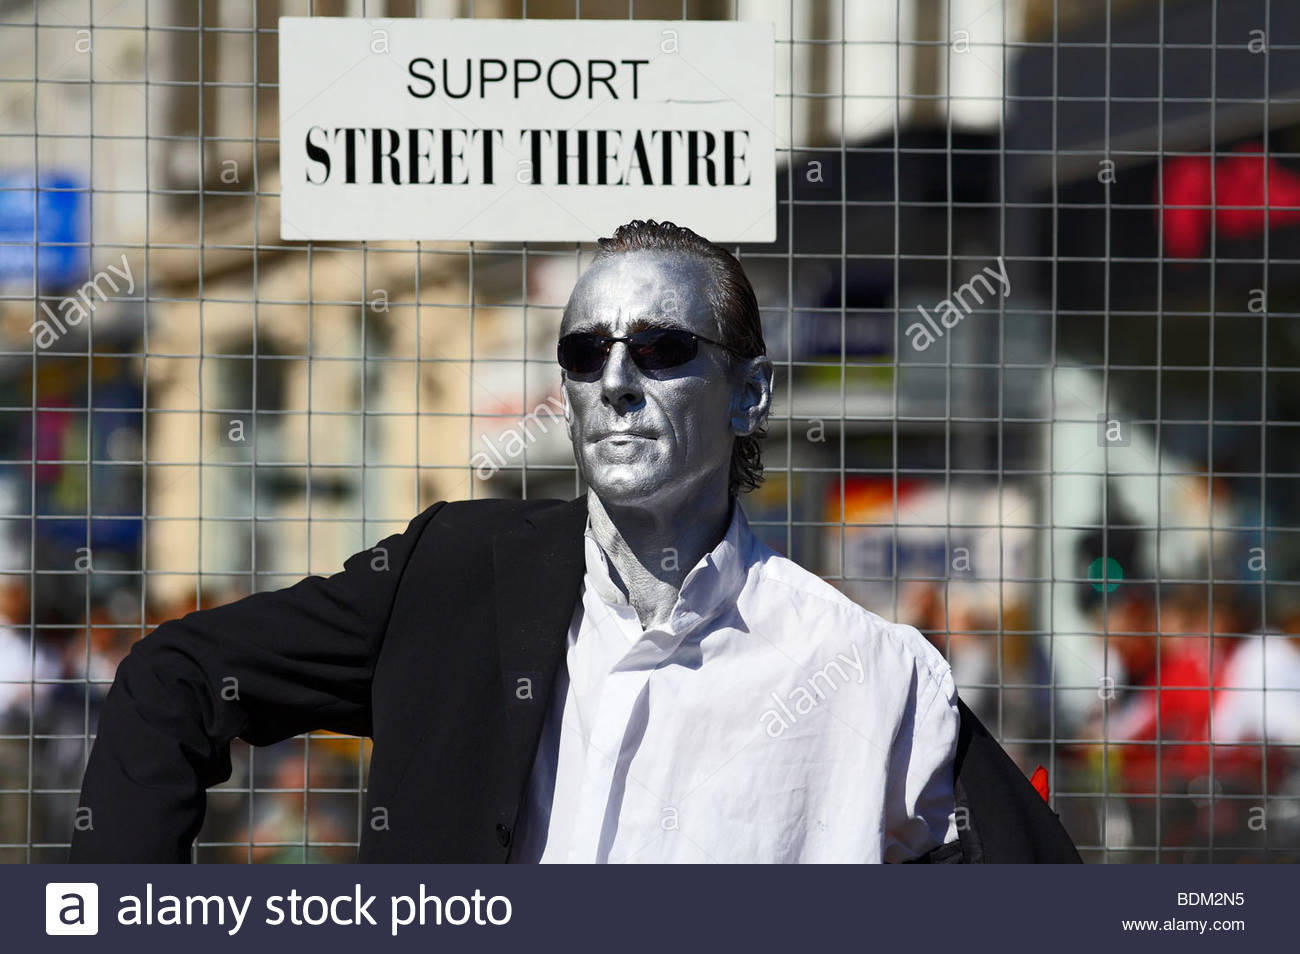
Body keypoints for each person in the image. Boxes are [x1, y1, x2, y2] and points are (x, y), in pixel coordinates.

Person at [70, 219, 1076, 863]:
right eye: (586, 352)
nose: (617, 381)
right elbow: (177, 676)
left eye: (665, 349)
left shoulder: (868, 673)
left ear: (751, 393)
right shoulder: (458, 572)